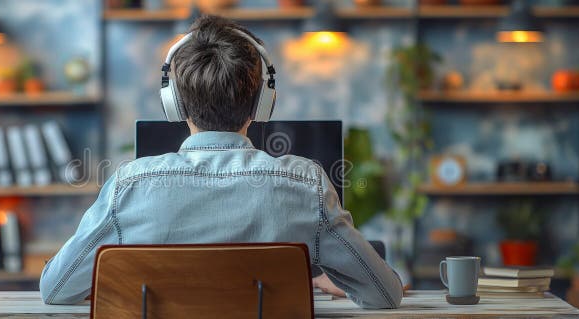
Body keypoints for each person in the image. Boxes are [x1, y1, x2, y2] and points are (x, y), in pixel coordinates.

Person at [40, 15, 403, 309]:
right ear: (263, 102)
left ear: (176, 103)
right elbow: (385, 295)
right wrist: (320, 277)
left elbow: (56, 289)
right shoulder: (307, 185)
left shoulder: (128, 187)